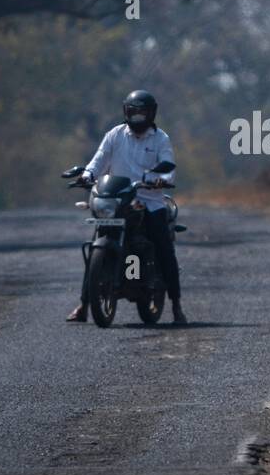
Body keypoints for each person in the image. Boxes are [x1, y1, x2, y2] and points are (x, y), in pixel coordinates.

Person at [68, 90, 187, 325]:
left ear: (152, 114)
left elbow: (168, 166)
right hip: (116, 199)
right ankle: (84, 305)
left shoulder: (160, 139)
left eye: (143, 114)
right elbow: (99, 159)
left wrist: (160, 178)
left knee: (164, 248)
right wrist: (88, 174)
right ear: (126, 112)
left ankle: (176, 305)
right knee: (95, 245)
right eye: (134, 113)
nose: (138, 119)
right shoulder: (115, 134)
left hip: (149, 201)